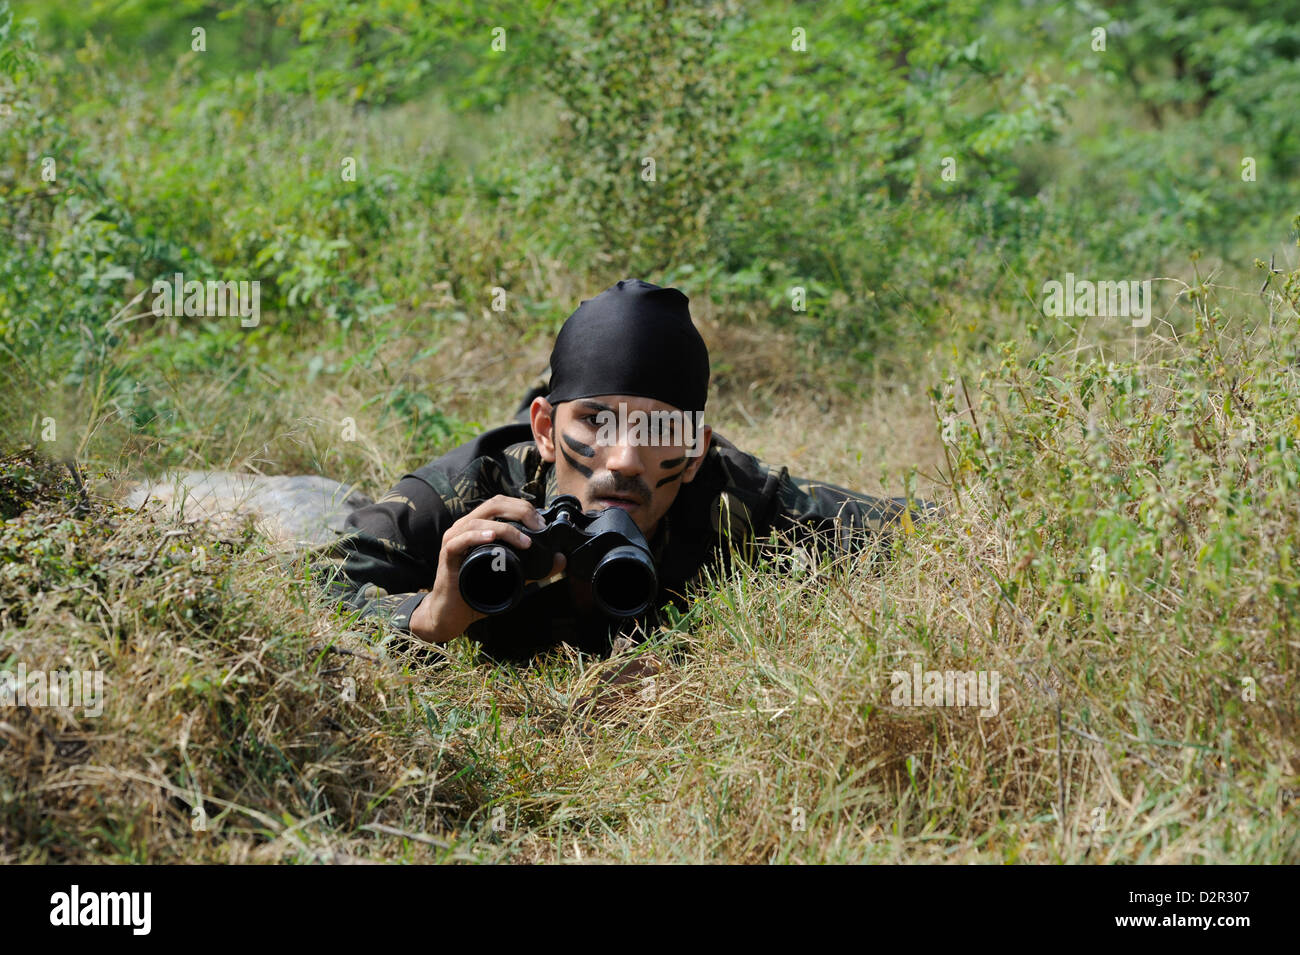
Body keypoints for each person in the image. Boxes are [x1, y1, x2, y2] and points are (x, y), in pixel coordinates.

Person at [311, 278, 931, 661]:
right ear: (546, 431)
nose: (626, 459)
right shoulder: (468, 495)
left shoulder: (732, 501)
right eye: (596, 423)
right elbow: (304, 598)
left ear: (694, 453)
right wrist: (429, 615)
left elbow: (931, 539)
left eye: (661, 428)